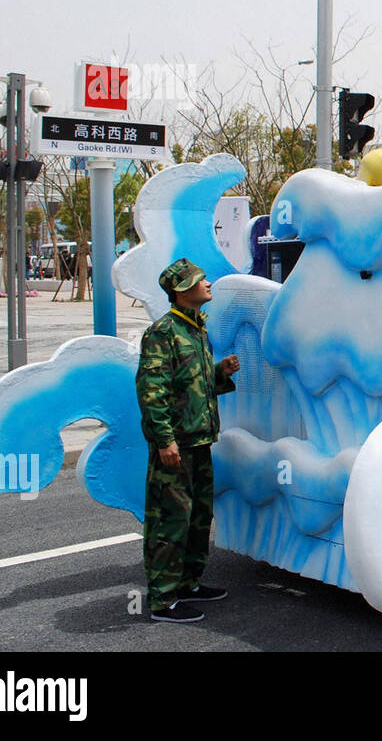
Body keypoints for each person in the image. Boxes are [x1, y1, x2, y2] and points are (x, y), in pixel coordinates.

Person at [137, 258, 241, 623]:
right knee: (170, 521)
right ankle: (163, 600)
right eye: (201, 280)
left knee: (198, 516)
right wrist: (165, 441)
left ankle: (188, 583)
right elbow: (153, 392)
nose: (208, 284)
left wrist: (219, 372)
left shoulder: (195, 329)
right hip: (176, 446)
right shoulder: (163, 333)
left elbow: (189, 384)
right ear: (182, 291)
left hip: (199, 442)